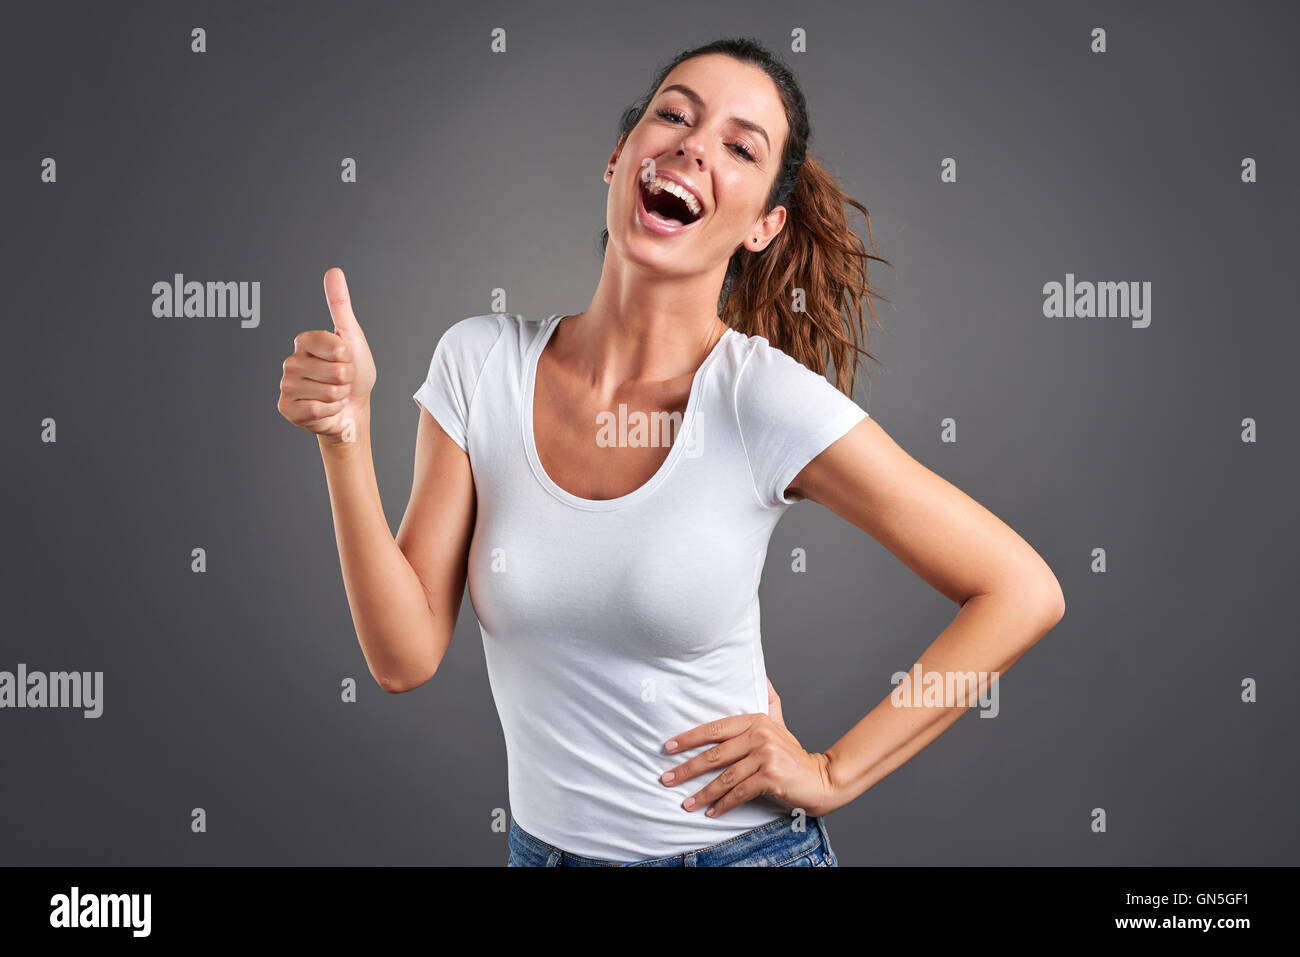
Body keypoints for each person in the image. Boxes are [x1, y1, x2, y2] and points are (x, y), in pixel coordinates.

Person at [277, 37, 1065, 867]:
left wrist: (833, 771)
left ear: (764, 225)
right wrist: (345, 436)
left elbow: (1021, 589)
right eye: (674, 114)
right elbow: (404, 655)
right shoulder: (479, 365)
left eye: (739, 146)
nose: (693, 144)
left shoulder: (759, 399)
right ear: (620, 159)